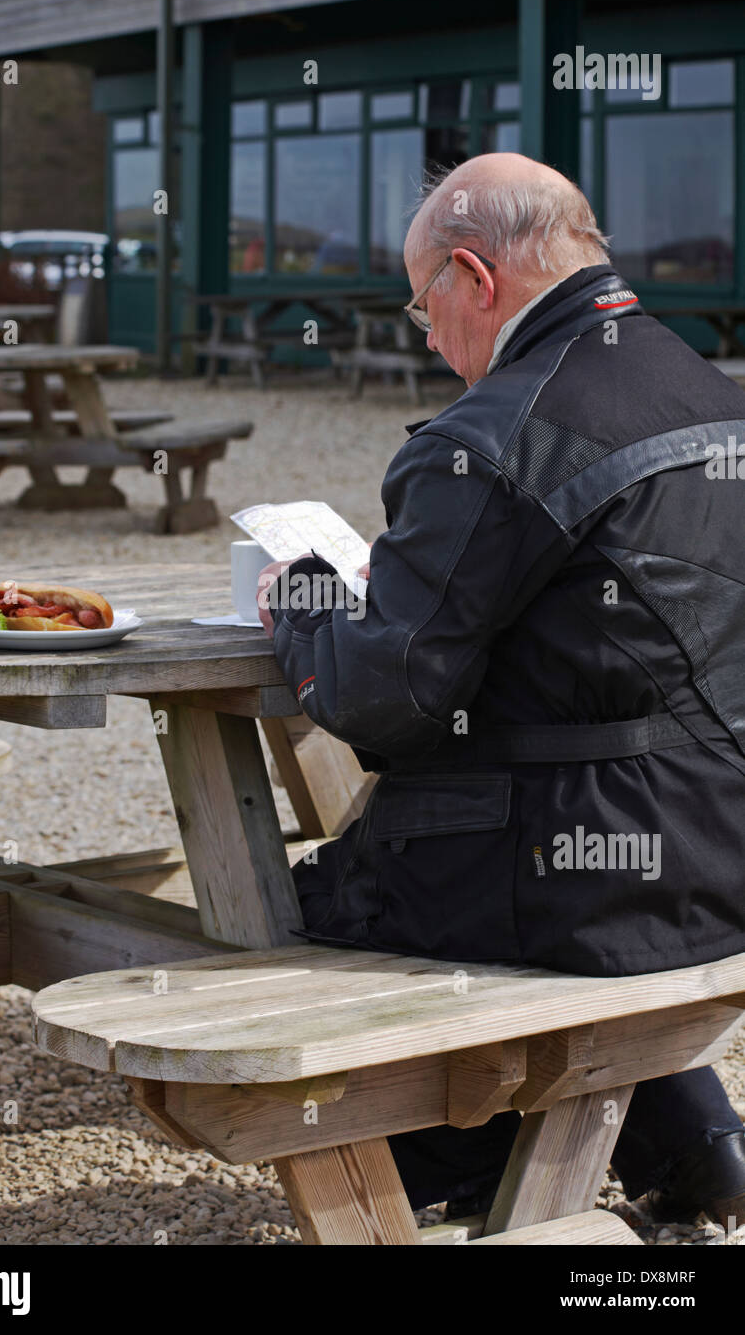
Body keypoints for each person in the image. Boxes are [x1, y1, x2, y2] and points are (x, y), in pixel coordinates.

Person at [257, 152, 745, 1225]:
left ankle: (451, 1165)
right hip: (718, 851)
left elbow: (385, 701)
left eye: (420, 299)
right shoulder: (709, 390)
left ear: (473, 276)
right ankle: (696, 1134)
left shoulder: (495, 433)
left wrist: (299, 603)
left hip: (565, 879)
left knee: (276, 908)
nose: (423, 332)